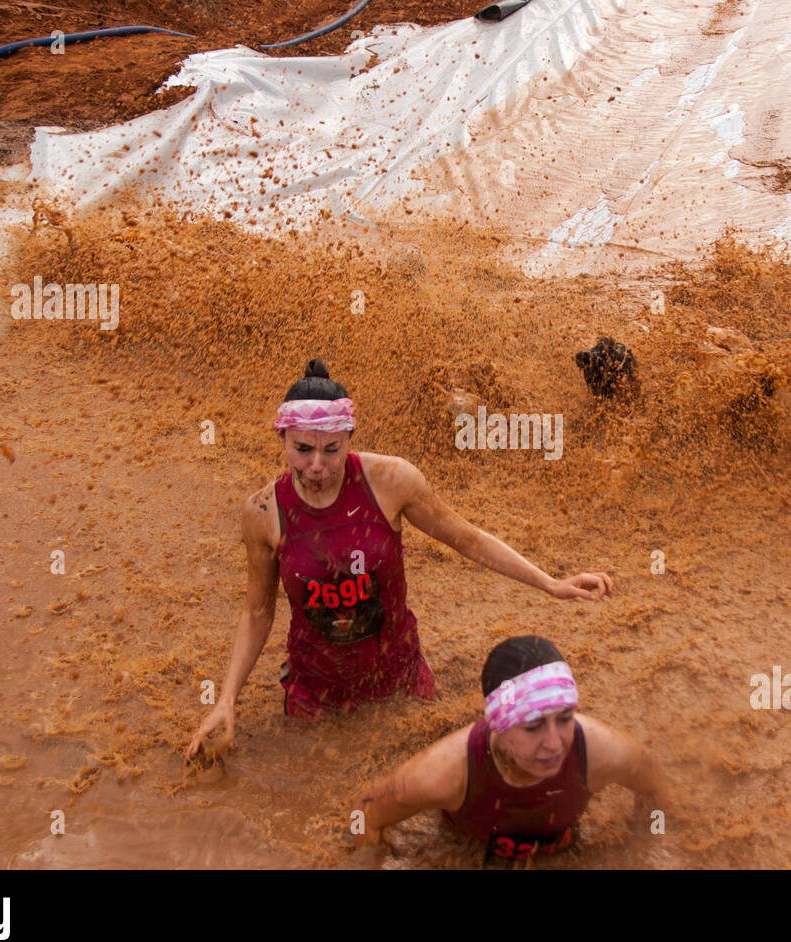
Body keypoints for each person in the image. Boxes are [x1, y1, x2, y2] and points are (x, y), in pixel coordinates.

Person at [187, 361, 614, 757]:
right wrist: (226, 701)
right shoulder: (262, 514)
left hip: (401, 679)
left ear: (350, 438)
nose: (317, 465)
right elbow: (257, 611)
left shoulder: (393, 481)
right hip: (313, 692)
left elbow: (466, 539)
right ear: (281, 439)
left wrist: (549, 583)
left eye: (332, 450)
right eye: (302, 449)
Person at [350, 635, 671, 865]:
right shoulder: (445, 774)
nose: (555, 743)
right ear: (498, 724)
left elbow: (656, 788)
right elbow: (365, 812)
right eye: (533, 727)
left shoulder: (601, 751)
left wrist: (642, 850)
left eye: (564, 719)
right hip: (466, 852)